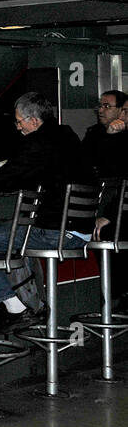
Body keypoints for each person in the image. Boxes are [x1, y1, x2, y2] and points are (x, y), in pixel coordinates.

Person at [0, 91, 92, 331]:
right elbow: (22, 171)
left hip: (53, 233)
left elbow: (4, 182)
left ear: (34, 121)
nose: (17, 127)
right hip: (80, 231)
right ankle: (25, 305)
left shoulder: (38, 143)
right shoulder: (68, 138)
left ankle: (15, 308)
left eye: (19, 121)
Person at [85, 90, 128, 308]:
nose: (101, 110)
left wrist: (109, 215)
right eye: (99, 106)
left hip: (115, 208)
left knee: (110, 233)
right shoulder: (93, 134)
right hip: (101, 203)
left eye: (107, 106)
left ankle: (115, 296)